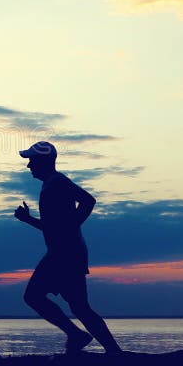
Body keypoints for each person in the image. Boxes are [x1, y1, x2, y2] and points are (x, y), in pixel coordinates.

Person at [15, 141, 121, 354]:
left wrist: (72, 225)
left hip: (64, 255)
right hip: (66, 253)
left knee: (34, 296)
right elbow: (53, 228)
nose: (29, 166)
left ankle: (78, 335)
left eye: (32, 161)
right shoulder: (51, 184)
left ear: (43, 161)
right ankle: (112, 351)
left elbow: (88, 201)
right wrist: (28, 220)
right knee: (79, 306)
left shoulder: (57, 182)